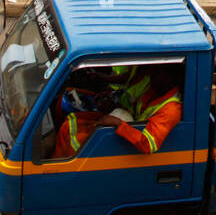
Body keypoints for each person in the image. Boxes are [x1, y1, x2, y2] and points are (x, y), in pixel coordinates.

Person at [53, 64, 182, 157]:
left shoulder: (171, 109)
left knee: (74, 139)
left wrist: (118, 124)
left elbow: (149, 144)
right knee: (71, 121)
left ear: (169, 77)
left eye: (156, 73)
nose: (151, 75)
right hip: (120, 117)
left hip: (127, 139)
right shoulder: (154, 86)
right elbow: (132, 105)